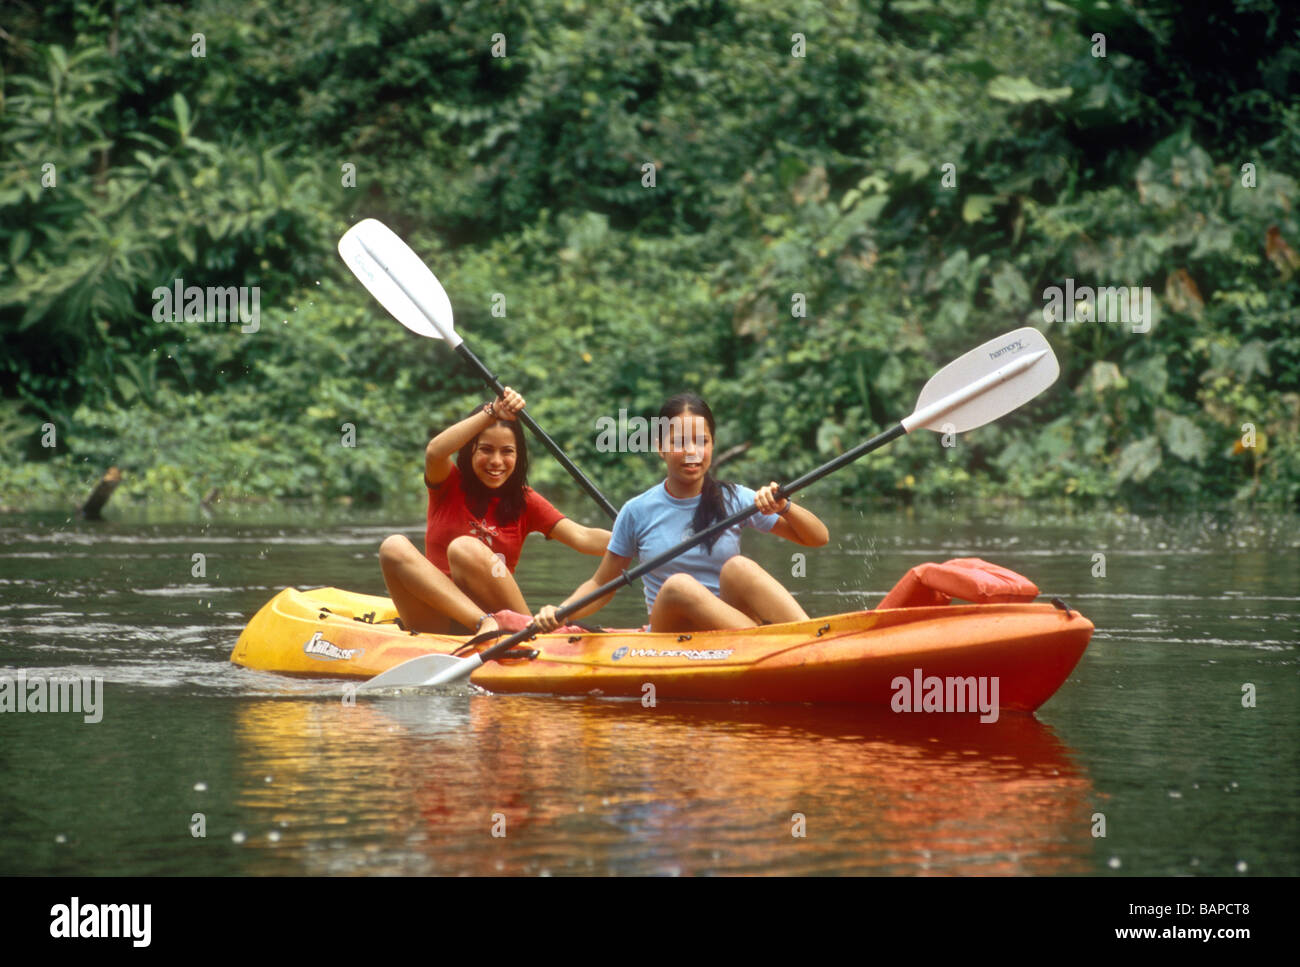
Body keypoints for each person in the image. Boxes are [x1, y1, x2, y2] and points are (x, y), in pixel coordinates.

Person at [534, 393, 828, 634]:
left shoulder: (735, 498)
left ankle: (810, 637)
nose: (692, 452)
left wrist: (785, 506)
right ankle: (769, 640)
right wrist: (561, 613)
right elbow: (601, 584)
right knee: (679, 585)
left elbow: (817, 539)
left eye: (701, 442)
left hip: (728, 630)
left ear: (712, 445)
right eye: (679, 442)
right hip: (670, 636)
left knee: (739, 567)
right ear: (660, 447)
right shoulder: (636, 511)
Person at [379, 387, 610, 637]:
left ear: (518, 455)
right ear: (470, 451)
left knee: (463, 548)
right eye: (486, 450)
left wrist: (638, 538)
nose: (497, 461)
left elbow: (583, 537)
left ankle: (517, 630)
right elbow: (435, 451)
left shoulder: (525, 500)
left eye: (507, 451)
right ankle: (482, 623)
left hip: (505, 616)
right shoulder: (448, 483)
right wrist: (492, 412)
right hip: (439, 620)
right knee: (393, 545)